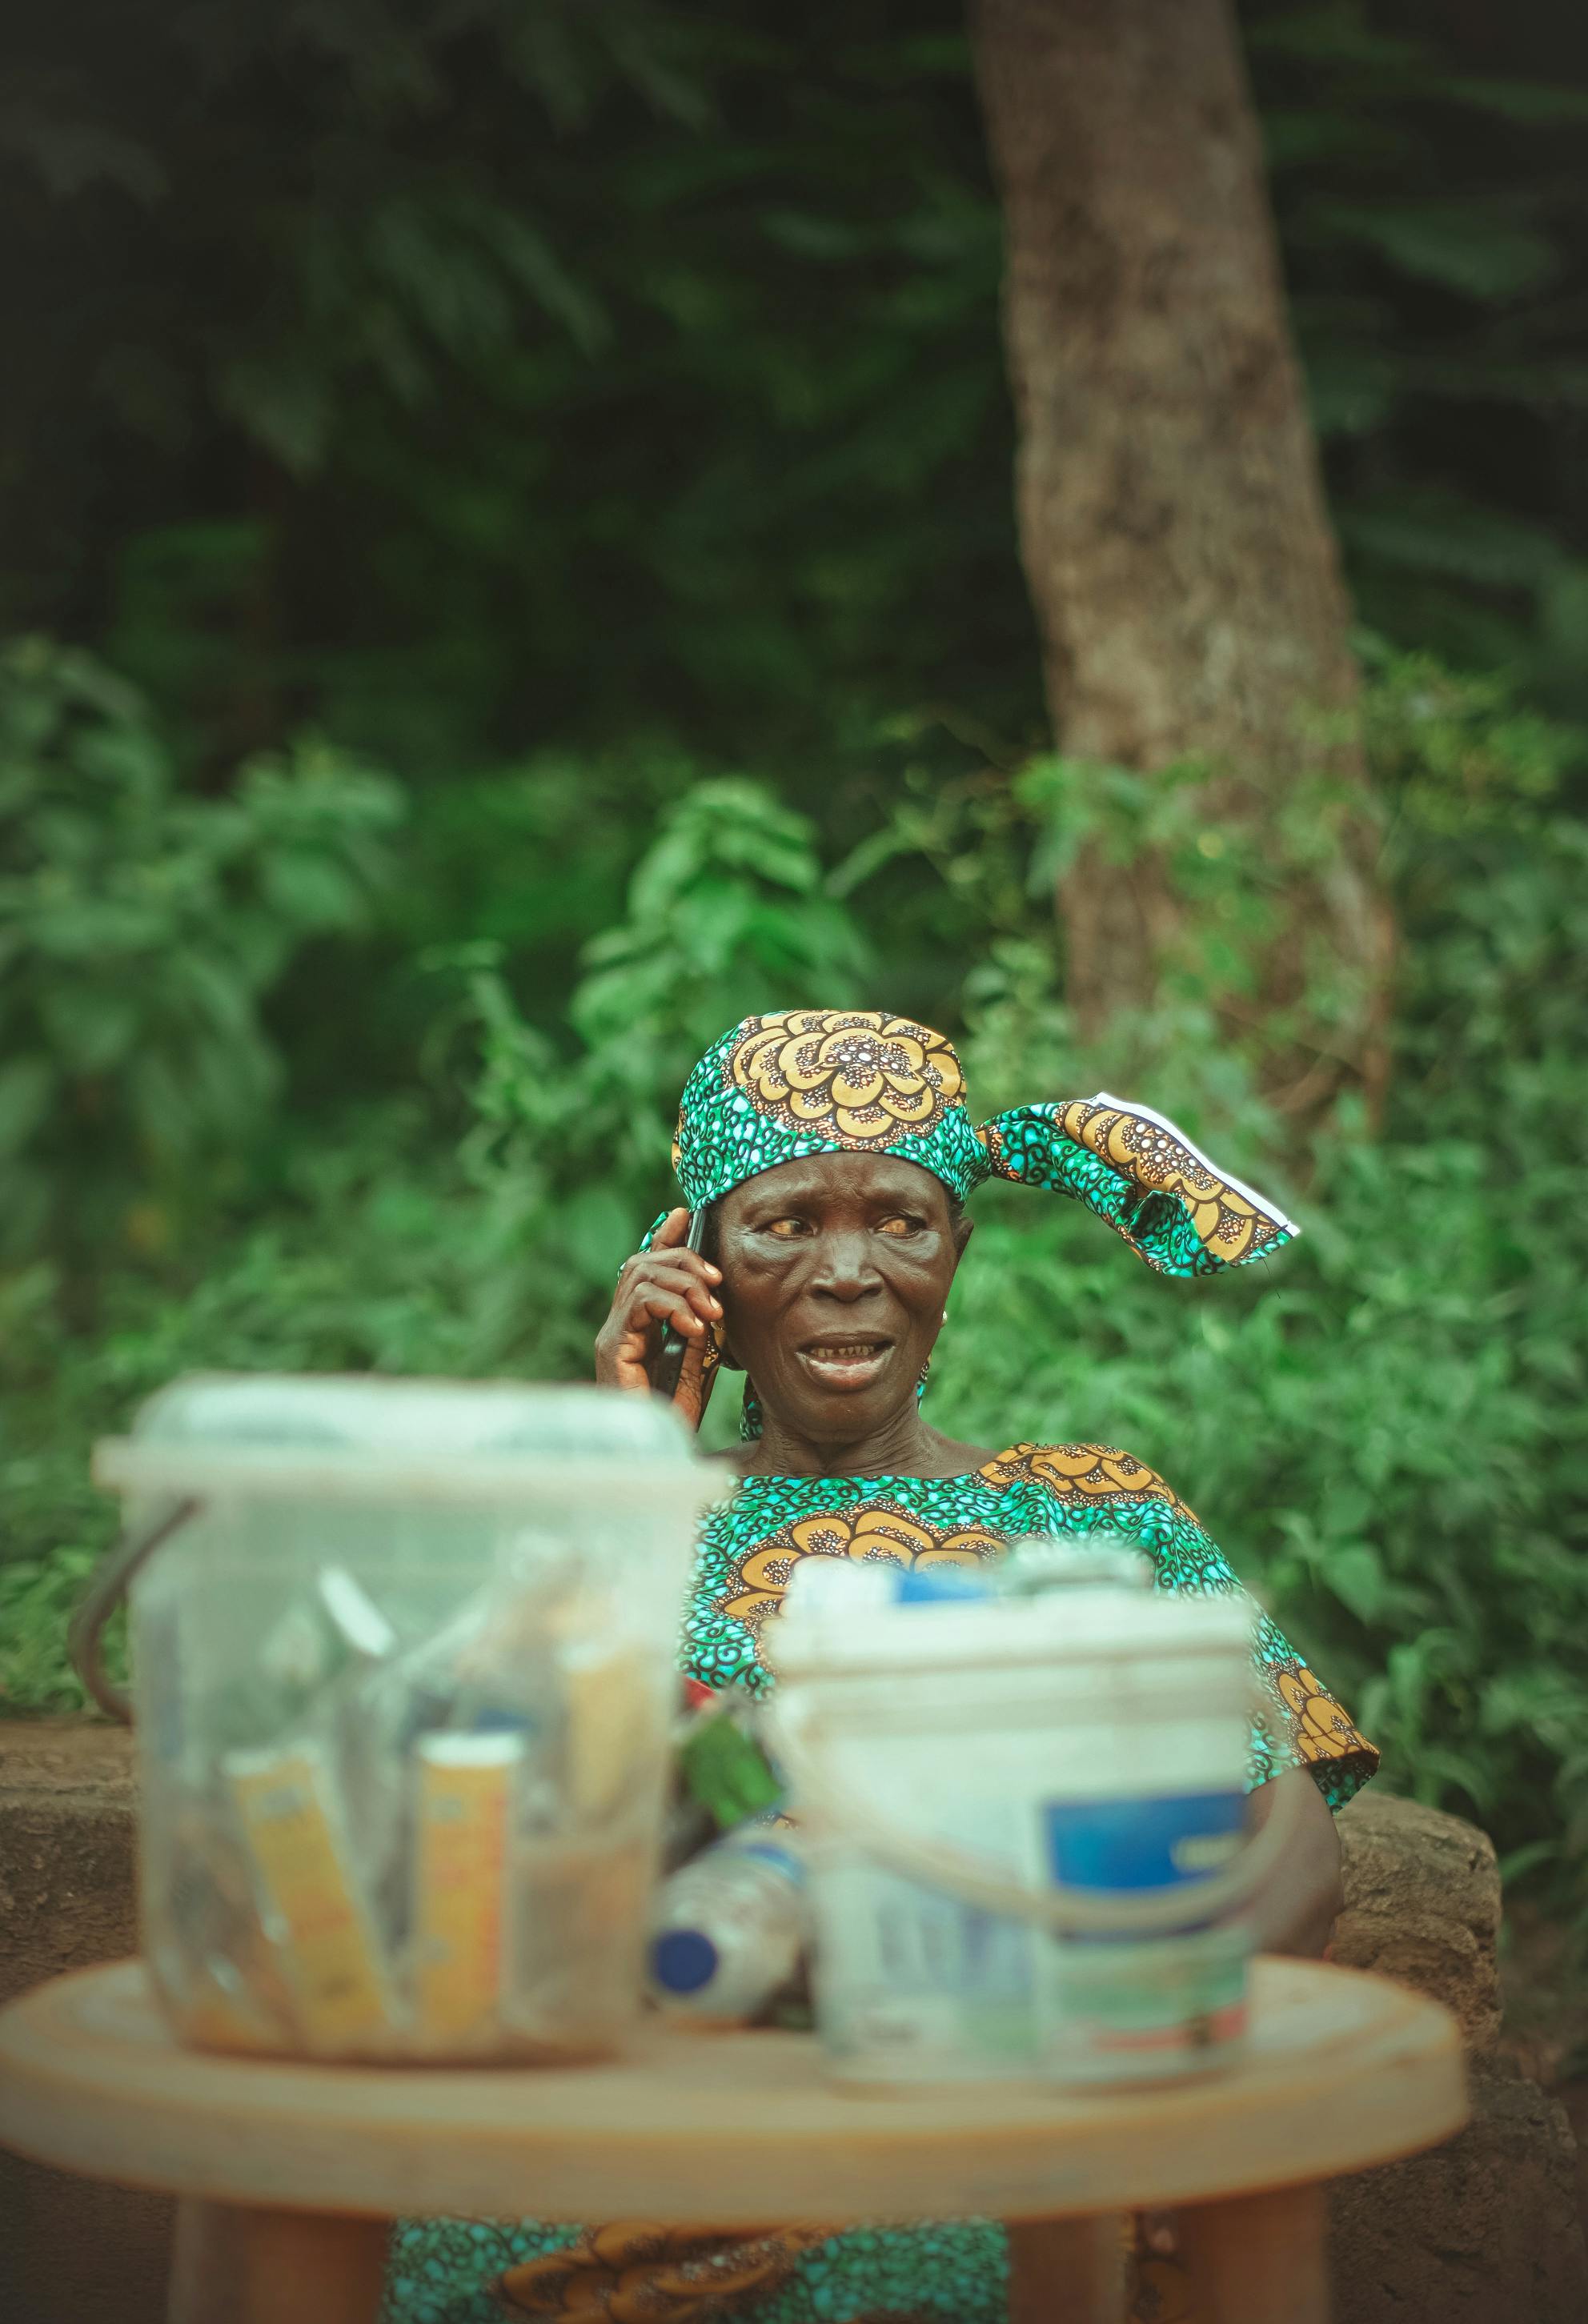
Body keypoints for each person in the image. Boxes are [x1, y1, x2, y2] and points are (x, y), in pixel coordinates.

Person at [385, 1008, 1374, 2324]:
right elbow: (459, 1818)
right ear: (694, 1262)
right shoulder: (626, 1520)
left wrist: (1069, 2089)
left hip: (992, 2132)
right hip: (643, 2114)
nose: (849, 1268)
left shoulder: (1093, 1512)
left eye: (900, 1221)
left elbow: (1290, 1851)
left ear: (955, 1250)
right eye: (785, 1222)